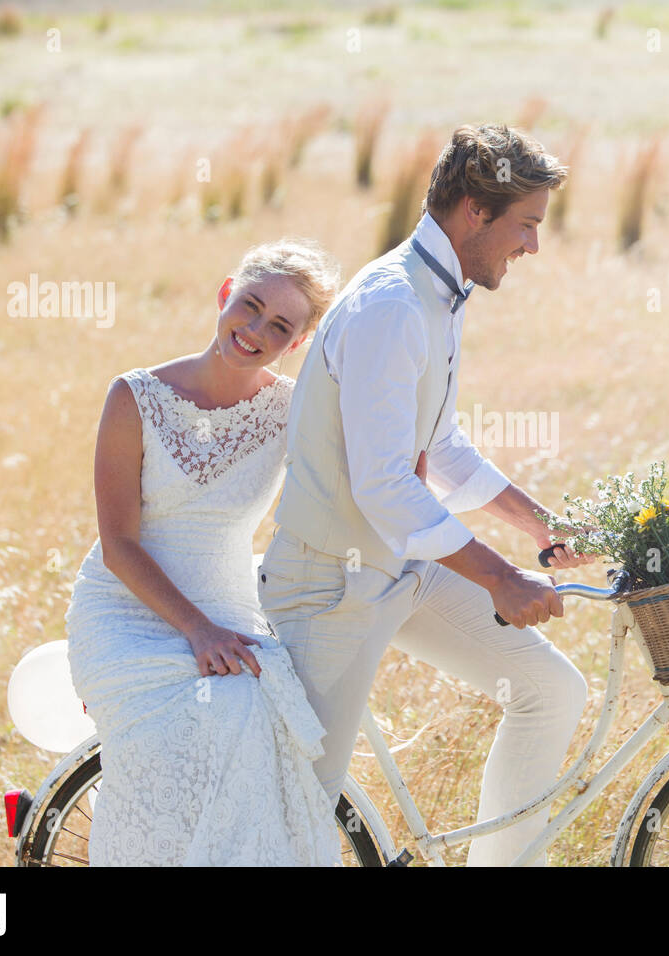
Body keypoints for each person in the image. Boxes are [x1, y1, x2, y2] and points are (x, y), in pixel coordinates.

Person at [259, 124, 596, 867]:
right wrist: (502, 578)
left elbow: (435, 447)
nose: (534, 246)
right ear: (475, 210)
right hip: (329, 588)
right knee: (292, 824)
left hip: (399, 569)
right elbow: (383, 486)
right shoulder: (392, 306)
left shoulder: (443, 293)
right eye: (527, 225)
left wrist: (542, 524)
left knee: (550, 692)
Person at [65, 238, 344, 866]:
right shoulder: (134, 397)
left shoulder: (292, 409)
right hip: (127, 612)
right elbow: (119, 545)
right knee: (175, 735)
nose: (255, 330)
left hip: (228, 609)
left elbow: (361, 470)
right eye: (249, 306)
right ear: (225, 294)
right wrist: (196, 629)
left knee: (252, 717)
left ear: (297, 343)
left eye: (280, 326)